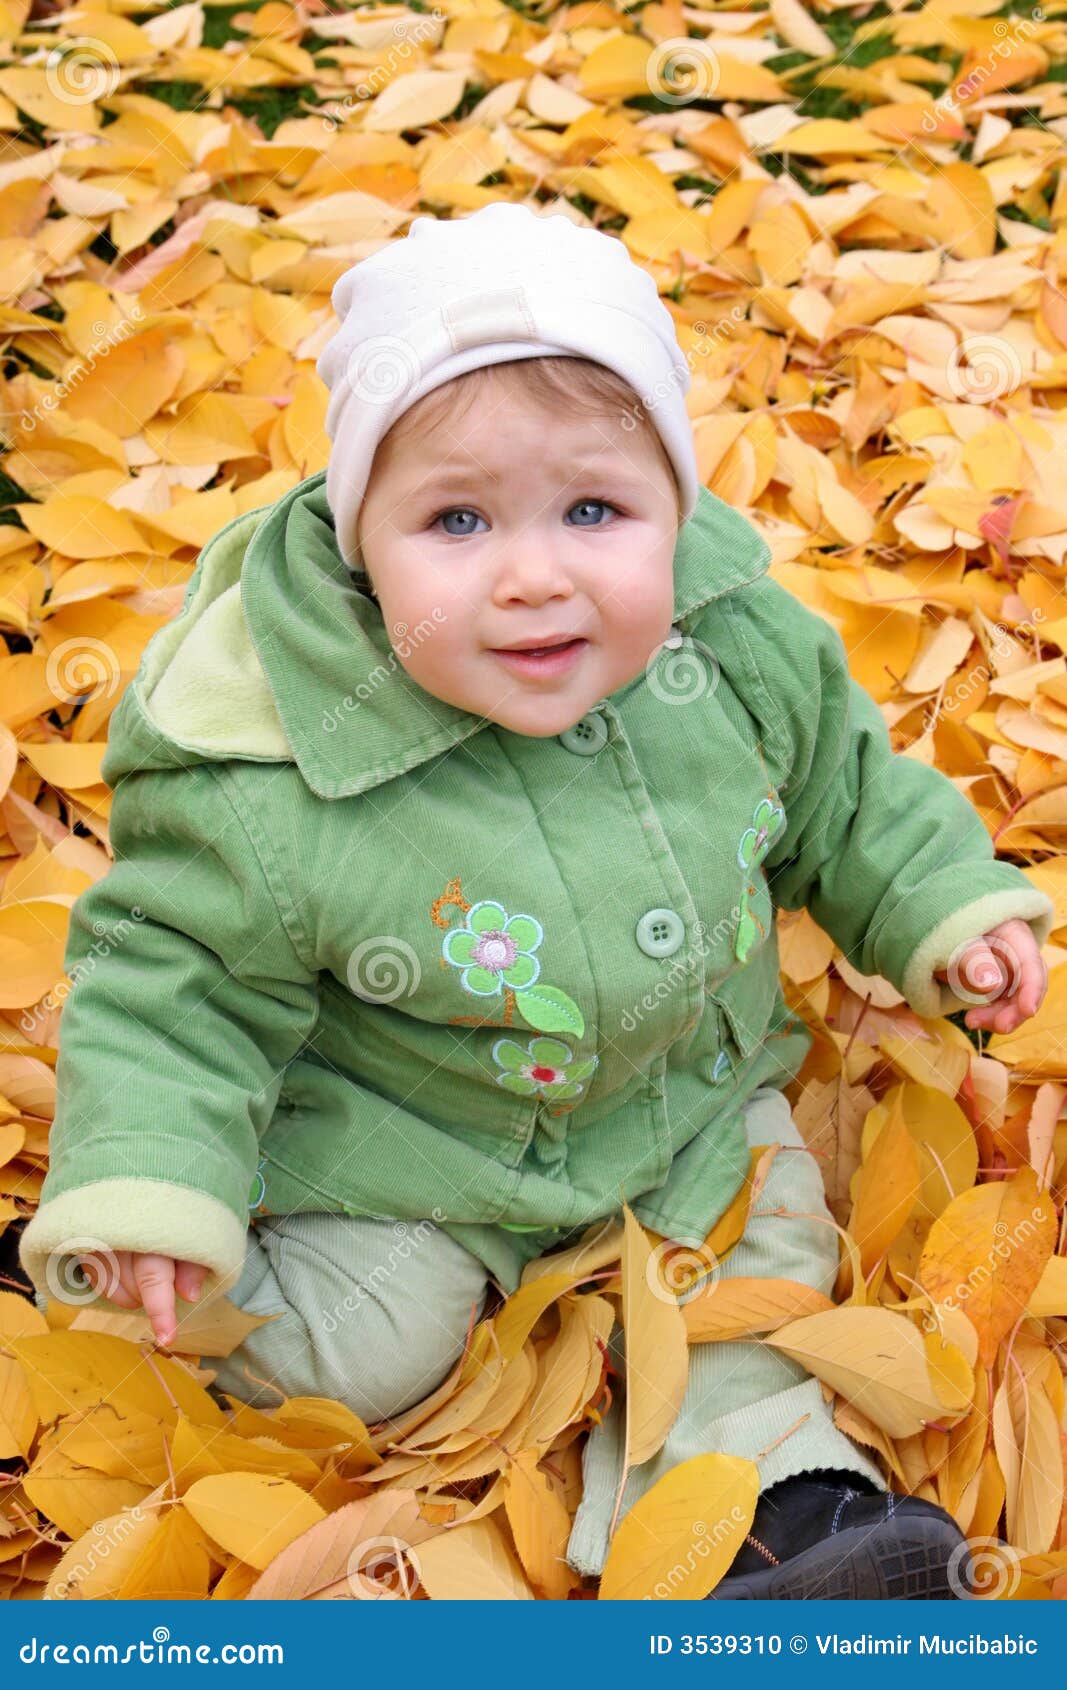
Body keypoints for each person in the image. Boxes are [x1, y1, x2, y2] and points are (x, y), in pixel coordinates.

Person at [18, 203, 1053, 1599]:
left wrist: (939, 907)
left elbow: (847, 796)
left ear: (674, 506)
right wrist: (154, 1178)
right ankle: (108, 1289)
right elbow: (175, 985)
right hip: (405, 1150)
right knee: (361, 1349)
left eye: (593, 510)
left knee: (763, 1274)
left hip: (690, 1104)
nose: (533, 572)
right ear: (356, 534)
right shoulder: (270, 763)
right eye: (455, 518)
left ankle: (779, 1526)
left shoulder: (732, 647)